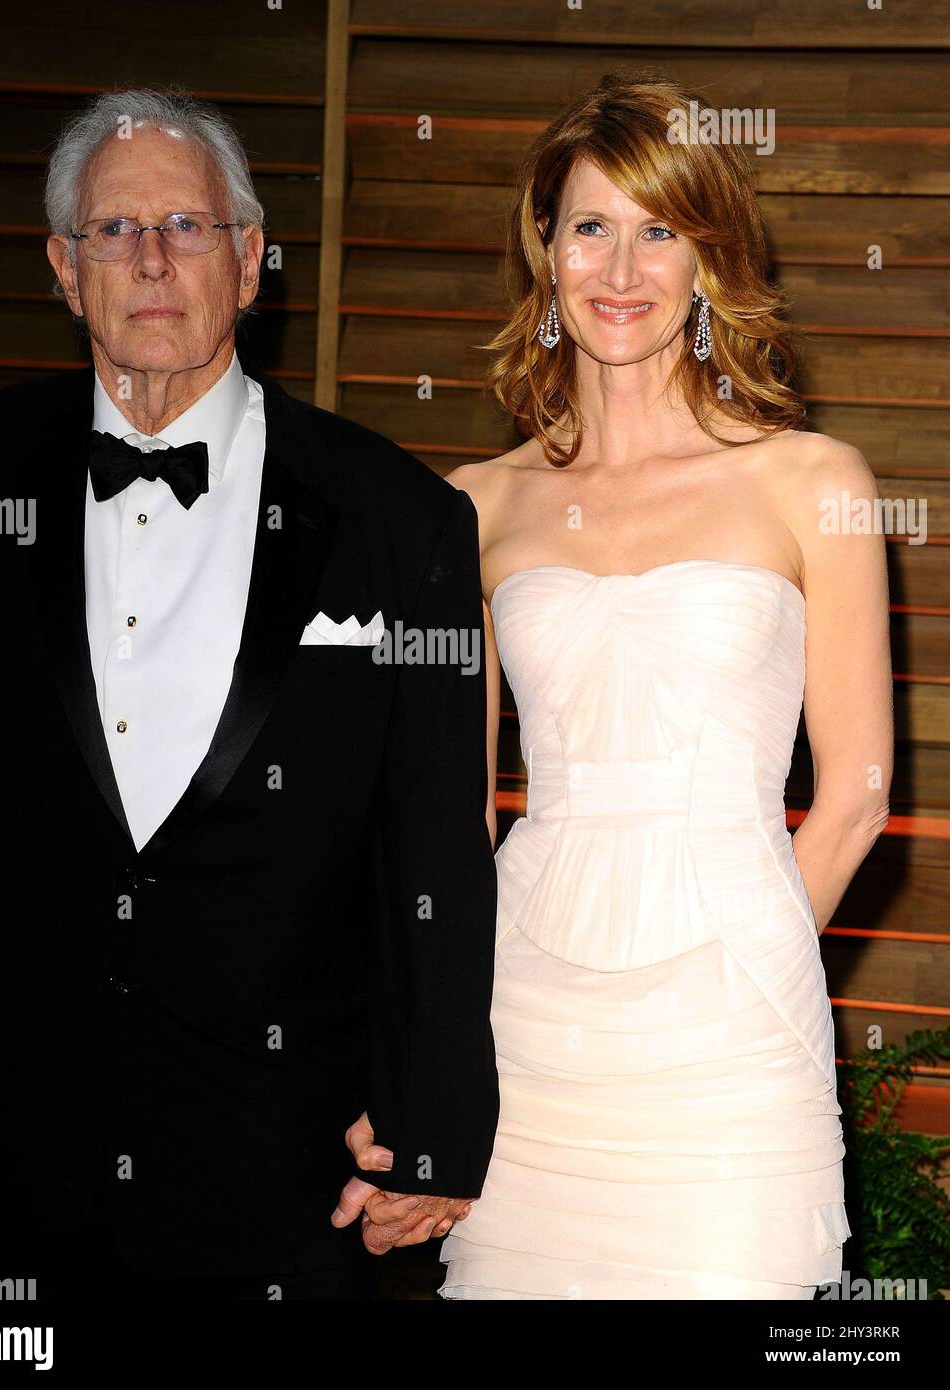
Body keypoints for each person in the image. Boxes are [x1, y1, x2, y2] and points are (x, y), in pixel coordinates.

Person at [0, 89, 498, 1301]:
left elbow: (436, 843)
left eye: (189, 224)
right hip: (4, 1162)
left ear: (251, 260)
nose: (156, 258)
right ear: (66, 272)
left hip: (286, 1172)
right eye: (116, 232)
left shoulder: (402, 522)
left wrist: (436, 1121)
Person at [434, 73, 894, 1299]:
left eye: (659, 229)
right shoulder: (474, 507)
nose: (621, 266)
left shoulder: (811, 480)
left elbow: (853, 795)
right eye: (590, 226)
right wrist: (421, 1049)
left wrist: (747, 964)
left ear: (708, 255)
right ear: (545, 249)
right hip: (523, 1027)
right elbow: (447, 817)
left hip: (733, 1035)